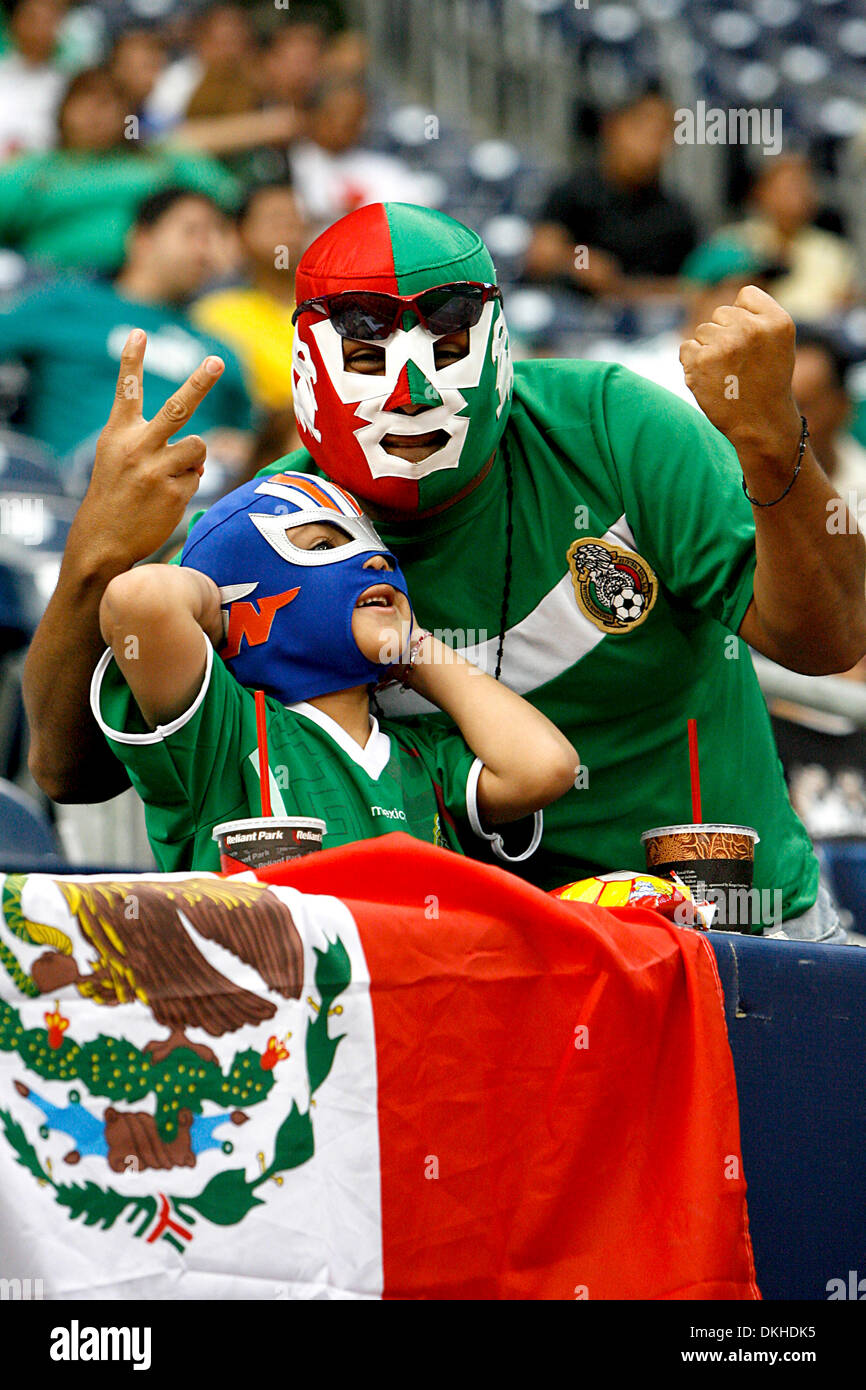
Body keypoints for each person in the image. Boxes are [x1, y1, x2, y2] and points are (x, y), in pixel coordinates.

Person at [23, 204, 866, 942]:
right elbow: (71, 772)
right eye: (366, 355)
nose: (414, 390)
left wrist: (771, 447)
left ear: (496, 341)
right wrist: (95, 556)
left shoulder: (615, 429)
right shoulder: (273, 528)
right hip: (465, 967)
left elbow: (829, 640)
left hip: (726, 930)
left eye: (449, 342)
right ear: (309, 361)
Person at [92, 458, 577, 872]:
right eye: (324, 547)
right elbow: (138, 602)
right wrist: (218, 606)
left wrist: (415, 650)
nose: (375, 561)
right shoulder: (223, 736)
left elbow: (545, 768)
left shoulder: (420, 756)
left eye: (375, 547)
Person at [0, 186, 253, 462]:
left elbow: (252, 434)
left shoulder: (219, 348)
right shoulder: (70, 302)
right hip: (82, 484)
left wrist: (243, 445)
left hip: (200, 487)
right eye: (193, 232)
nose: (205, 250)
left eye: (215, 237)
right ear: (141, 239)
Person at [0, 66, 240, 274]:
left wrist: (224, 237)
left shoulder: (161, 161)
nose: (95, 114)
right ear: (63, 112)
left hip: (150, 285)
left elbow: (234, 199)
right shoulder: (35, 170)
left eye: (107, 104)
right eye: (84, 102)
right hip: (48, 282)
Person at [524, 86, 698, 301]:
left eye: (662, 132)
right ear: (614, 126)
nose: (651, 142)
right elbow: (541, 254)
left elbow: (690, 287)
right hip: (572, 312)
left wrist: (622, 288)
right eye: (641, 126)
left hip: (648, 323)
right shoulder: (574, 190)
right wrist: (584, 262)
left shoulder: (677, 214)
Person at [192, 181, 308, 416]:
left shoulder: (328, 310)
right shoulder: (215, 313)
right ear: (239, 232)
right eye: (276, 220)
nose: (290, 231)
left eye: (296, 220)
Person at [715, 154, 857, 320]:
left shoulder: (833, 251)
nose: (795, 196)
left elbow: (846, 307)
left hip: (817, 337)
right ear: (761, 192)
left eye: (801, 187)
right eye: (785, 188)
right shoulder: (731, 243)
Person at [0, 0, 67, 162]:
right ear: (15, 23)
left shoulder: (68, 82)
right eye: (32, 19)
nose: (39, 29)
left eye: (48, 21)